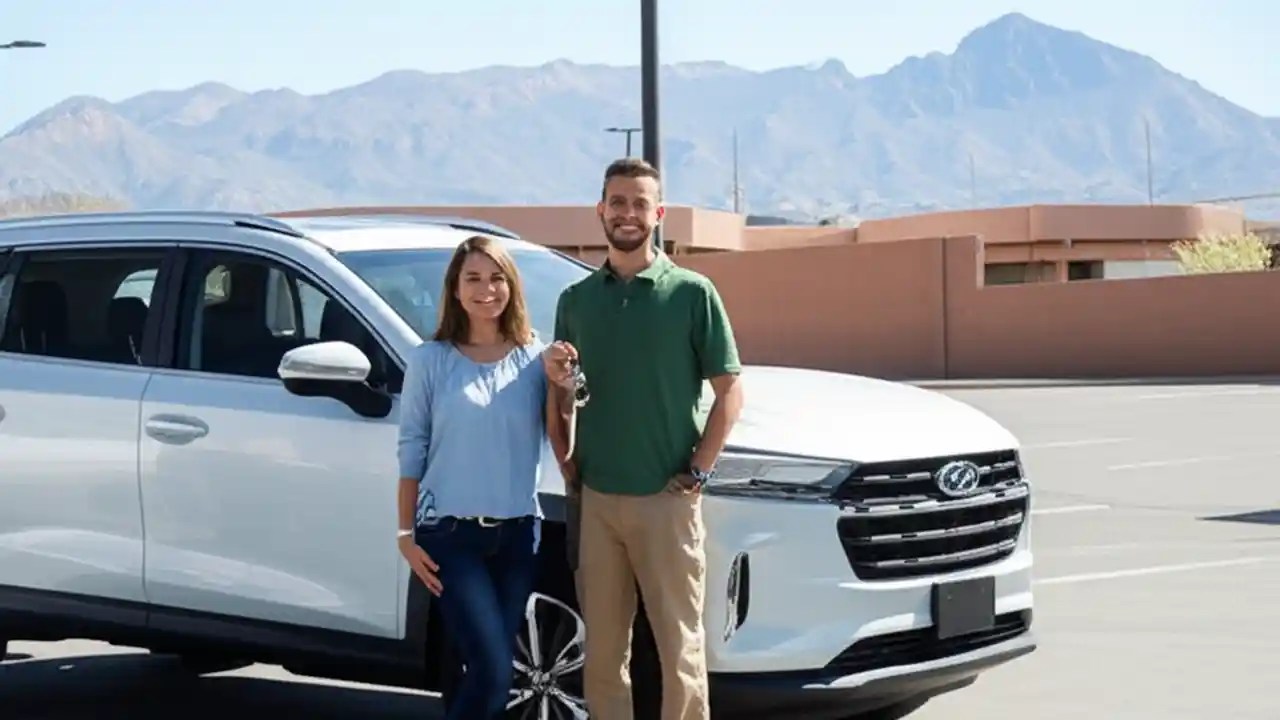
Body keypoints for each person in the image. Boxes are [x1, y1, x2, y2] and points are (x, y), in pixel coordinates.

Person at [544, 157, 745, 720]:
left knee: (681, 649)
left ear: (657, 214)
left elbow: (731, 392)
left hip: (667, 501)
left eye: (639, 204)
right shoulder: (576, 302)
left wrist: (699, 470)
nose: (627, 213)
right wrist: (560, 403)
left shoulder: (691, 293)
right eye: (617, 202)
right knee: (605, 655)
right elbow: (564, 399)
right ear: (600, 210)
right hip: (599, 502)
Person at [396, 234, 559, 720]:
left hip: (517, 538)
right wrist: (406, 535)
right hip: (450, 538)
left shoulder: (536, 359)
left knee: (488, 671)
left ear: (511, 287)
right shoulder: (430, 361)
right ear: (455, 287)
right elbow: (411, 449)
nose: (486, 289)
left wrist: (567, 387)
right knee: (492, 672)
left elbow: (560, 439)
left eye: (496, 278)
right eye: (473, 278)